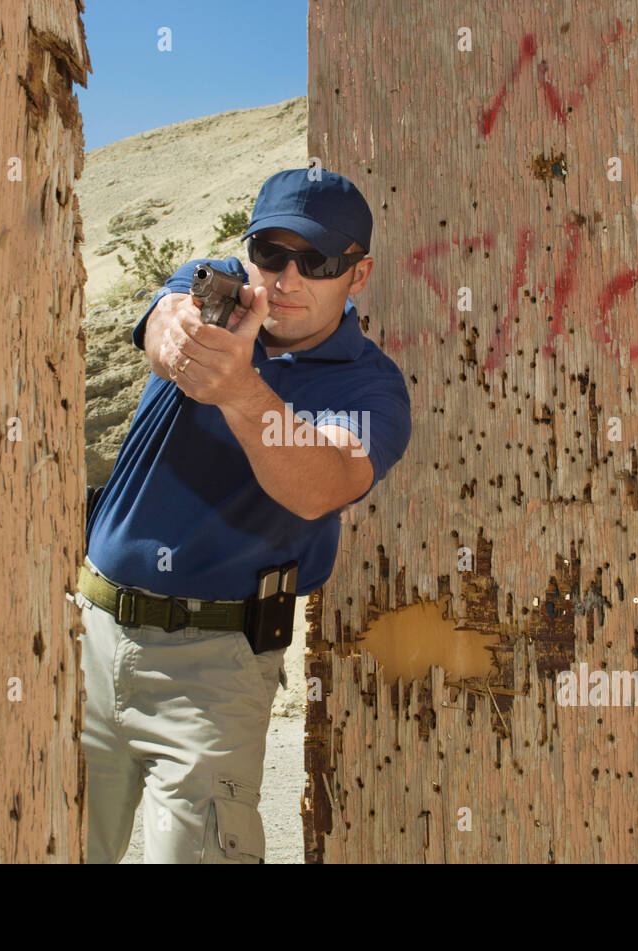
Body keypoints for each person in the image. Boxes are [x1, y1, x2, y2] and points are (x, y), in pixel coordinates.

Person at [76, 168, 412, 863]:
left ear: (358, 273)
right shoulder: (217, 288)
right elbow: (166, 323)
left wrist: (239, 390)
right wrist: (177, 337)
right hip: (91, 638)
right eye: (270, 254)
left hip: (215, 671)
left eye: (315, 261)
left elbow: (323, 483)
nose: (285, 278)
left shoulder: (370, 385)